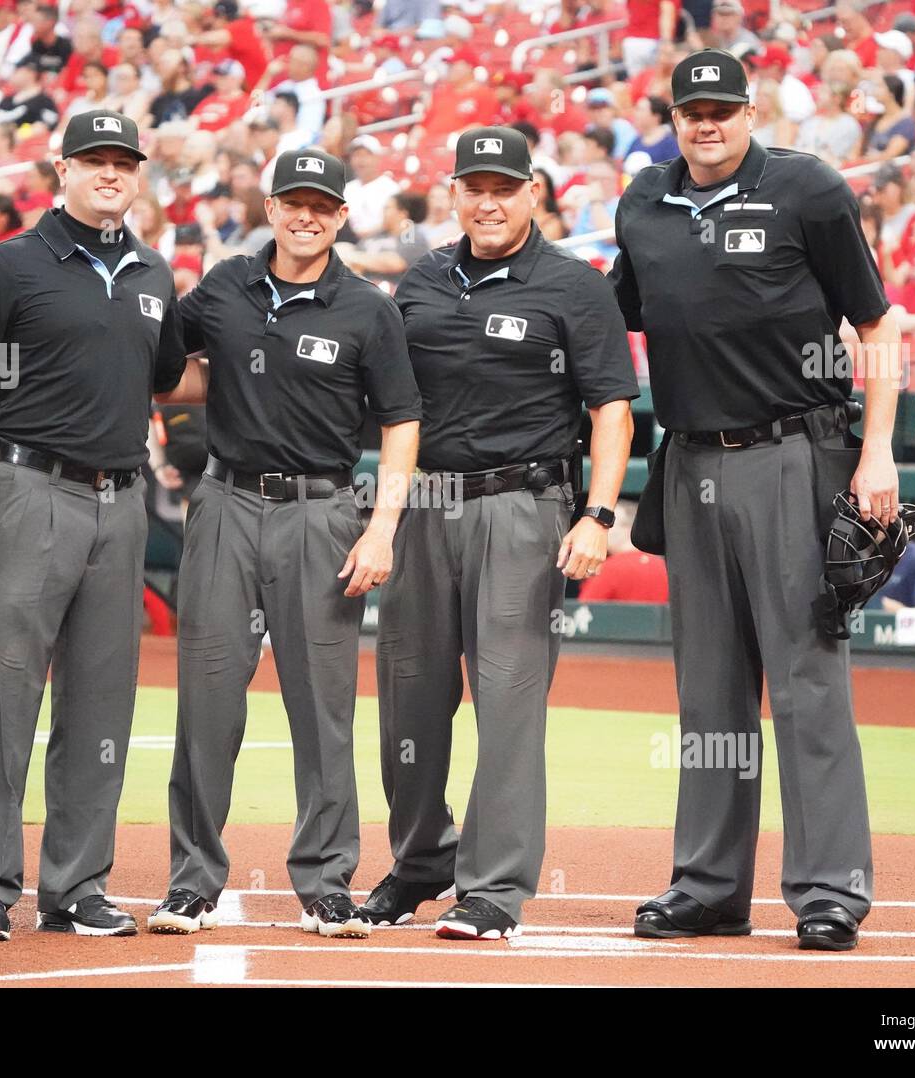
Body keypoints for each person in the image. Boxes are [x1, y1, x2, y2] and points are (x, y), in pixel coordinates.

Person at [612, 49, 901, 952]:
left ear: (748, 111)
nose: (706, 123)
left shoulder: (807, 189)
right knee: (708, 691)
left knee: (807, 682)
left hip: (794, 453)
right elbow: (612, 317)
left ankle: (829, 893)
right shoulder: (643, 202)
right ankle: (706, 884)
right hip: (689, 459)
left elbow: (879, 323)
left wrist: (879, 450)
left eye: (722, 109)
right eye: (690, 109)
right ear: (671, 115)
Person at [365, 125, 637, 941]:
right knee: (408, 701)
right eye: (474, 187)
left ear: (533, 195)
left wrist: (597, 512)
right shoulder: (417, 280)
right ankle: (420, 862)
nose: (488, 201)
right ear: (453, 193)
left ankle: (494, 888)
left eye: (505, 187)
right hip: (423, 506)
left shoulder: (573, 285)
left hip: (523, 506)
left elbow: (611, 409)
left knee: (508, 701)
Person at [148, 147, 422, 940]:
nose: (305, 216)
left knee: (322, 709)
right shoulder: (227, 284)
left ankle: (327, 883)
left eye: (321, 205)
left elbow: (404, 423)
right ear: (270, 207)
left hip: (323, 513)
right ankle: (191, 882)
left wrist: (382, 528)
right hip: (227, 503)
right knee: (205, 701)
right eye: (291, 201)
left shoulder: (369, 308)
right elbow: (163, 363)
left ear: (342, 216)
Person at [0, 110, 188, 942]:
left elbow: (168, 380)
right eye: (94, 160)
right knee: (3, 698)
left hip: (121, 502)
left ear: (138, 175)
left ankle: (76, 886)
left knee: (102, 706)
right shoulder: (11, 264)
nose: (110, 172)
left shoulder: (153, 274)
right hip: (26, 488)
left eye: (123, 161)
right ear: (62, 168)